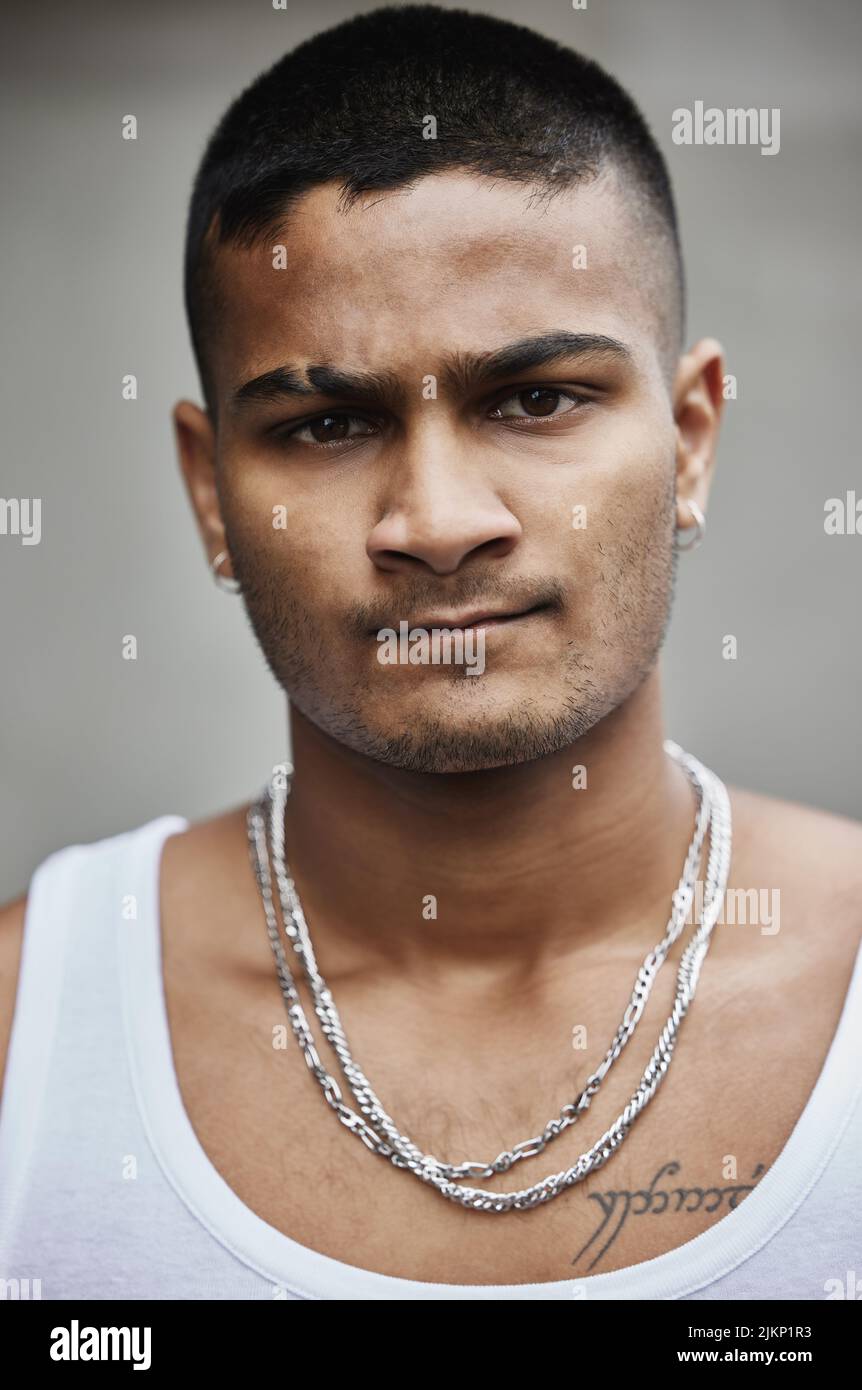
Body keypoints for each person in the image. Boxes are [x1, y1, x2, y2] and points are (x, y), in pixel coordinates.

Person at [1, 4, 860, 1302]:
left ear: (687, 439)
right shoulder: (29, 1029)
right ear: (206, 490)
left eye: (534, 398)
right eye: (326, 423)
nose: (439, 524)